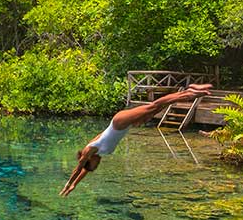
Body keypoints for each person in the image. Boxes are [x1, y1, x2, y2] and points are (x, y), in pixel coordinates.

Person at [60, 83, 213, 196]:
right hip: (127, 125)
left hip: (119, 122)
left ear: (88, 159)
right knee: (158, 108)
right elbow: (84, 171)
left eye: (94, 165)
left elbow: (79, 168)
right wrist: (75, 186)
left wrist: (68, 184)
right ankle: (189, 91)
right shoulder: (97, 154)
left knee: (156, 104)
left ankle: (191, 92)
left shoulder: (90, 149)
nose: (97, 165)